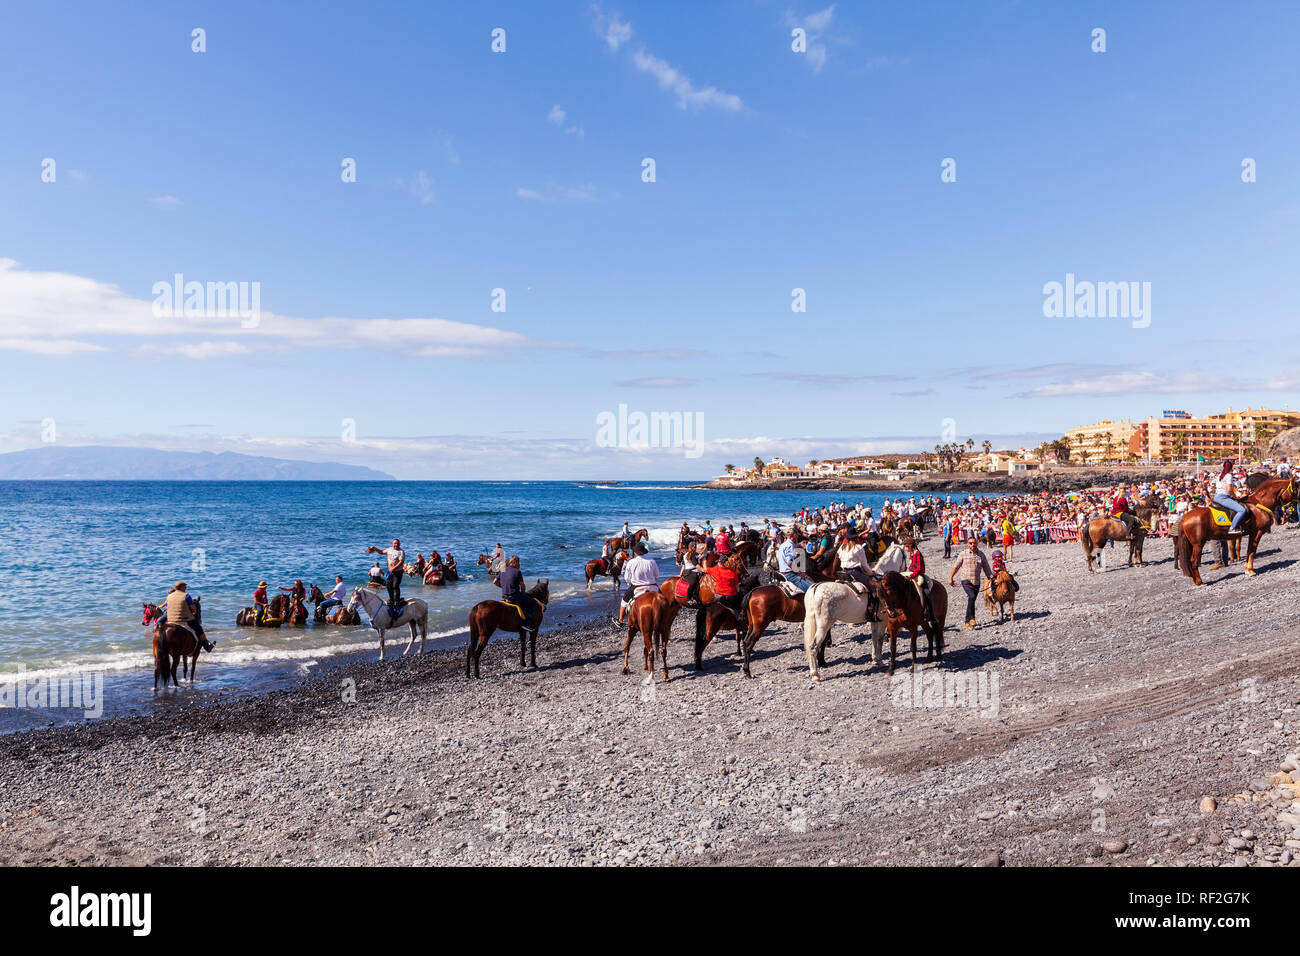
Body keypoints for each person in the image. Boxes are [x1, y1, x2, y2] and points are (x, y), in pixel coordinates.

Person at [948, 537, 991, 631]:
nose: (972, 545)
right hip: (965, 580)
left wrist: (991, 578)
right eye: (970, 543)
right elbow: (956, 566)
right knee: (971, 597)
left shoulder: (981, 555)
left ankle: (967, 621)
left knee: (972, 600)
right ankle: (972, 618)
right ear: (968, 544)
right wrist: (951, 577)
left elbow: (986, 568)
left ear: (977, 543)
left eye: (974, 543)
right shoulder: (963, 554)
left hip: (976, 581)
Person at [703, 552, 745, 640]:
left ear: (720, 563)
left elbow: (705, 569)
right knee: (741, 606)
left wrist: (704, 559)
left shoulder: (715, 570)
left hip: (719, 596)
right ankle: (741, 622)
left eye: (718, 562)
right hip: (730, 596)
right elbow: (737, 588)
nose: (717, 563)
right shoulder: (732, 573)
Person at [163, 581, 213, 651]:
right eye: (185, 587)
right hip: (184, 620)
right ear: (181, 587)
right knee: (199, 628)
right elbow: (193, 607)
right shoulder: (186, 596)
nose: (186, 588)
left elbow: (167, 607)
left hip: (170, 619)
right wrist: (194, 611)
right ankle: (206, 646)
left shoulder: (169, 596)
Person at [619, 542, 660, 626]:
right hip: (653, 587)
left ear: (635, 552)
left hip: (637, 587)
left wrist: (630, 582)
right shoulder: (652, 561)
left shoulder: (631, 562)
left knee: (624, 601)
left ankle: (620, 620)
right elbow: (657, 576)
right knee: (664, 601)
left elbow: (627, 578)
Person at [901, 537, 937, 628]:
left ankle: (930, 614)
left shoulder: (918, 554)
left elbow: (919, 568)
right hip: (911, 573)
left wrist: (912, 576)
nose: (905, 548)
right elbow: (911, 566)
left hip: (918, 574)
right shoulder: (911, 553)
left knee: (926, 592)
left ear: (910, 546)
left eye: (905, 545)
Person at [365, 539, 406, 611]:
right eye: (394, 543)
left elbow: (401, 562)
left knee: (395, 586)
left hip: (398, 572)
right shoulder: (389, 549)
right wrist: (374, 548)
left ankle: (397, 602)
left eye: (397, 544)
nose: (396, 545)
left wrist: (393, 568)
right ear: (392, 544)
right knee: (388, 585)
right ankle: (391, 600)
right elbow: (381, 552)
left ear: (399, 544)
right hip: (390, 571)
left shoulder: (401, 552)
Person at [1212, 458, 1248, 534]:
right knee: (1242, 510)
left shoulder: (1219, 475)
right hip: (1223, 498)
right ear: (1230, 468)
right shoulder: (1229, 476)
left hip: (1216, 496)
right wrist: (1235, 497)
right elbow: (1229, 489)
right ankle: (1232, 527)